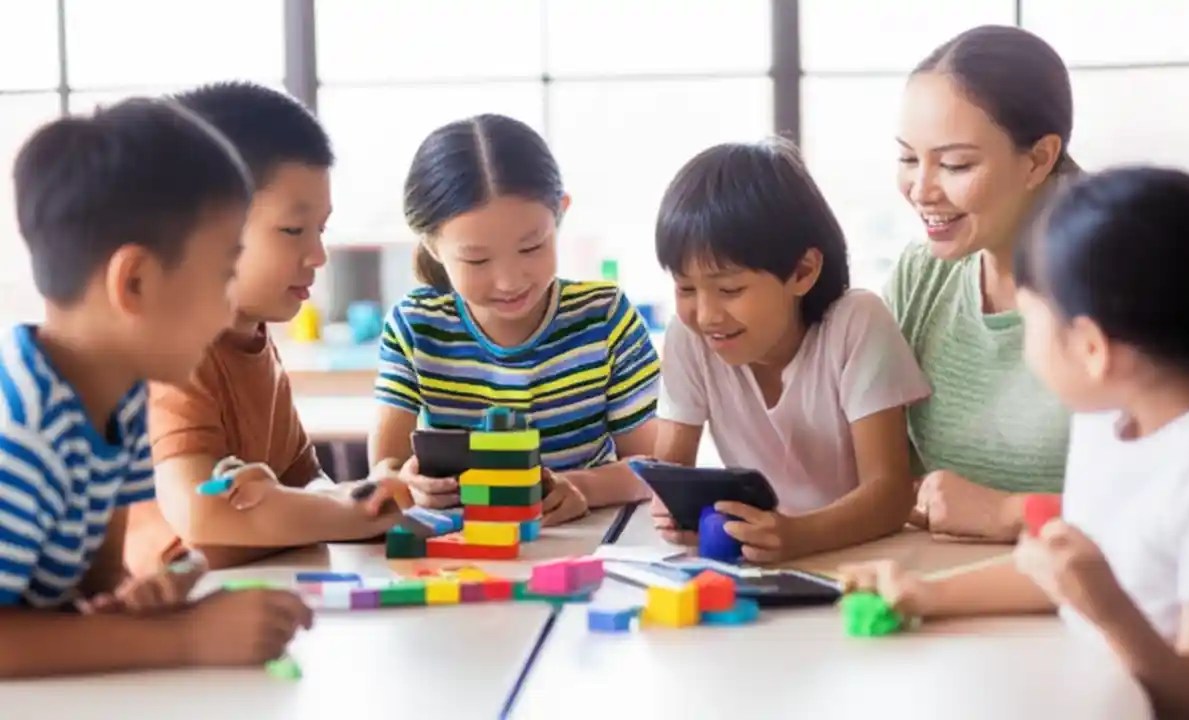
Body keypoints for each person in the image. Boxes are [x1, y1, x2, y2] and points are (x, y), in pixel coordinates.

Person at [842, 167, 1189, 719]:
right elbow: (1061, 572)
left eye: (1030, 321)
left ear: (1092, 348)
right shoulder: (1109, 419)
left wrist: (1106, 607)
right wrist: (927, 593)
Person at [0, 98, 311, 677]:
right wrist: (187, 639)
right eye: (222, 276)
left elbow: (88, 599)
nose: (227, 313)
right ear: (136, 282)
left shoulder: (116, 402)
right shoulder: (22, 426)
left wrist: (154, 594)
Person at [123, 82, 408, 574]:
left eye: (322, 229)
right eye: (293, 231)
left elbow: (305, 481)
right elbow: (202, 516)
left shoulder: (253, 340)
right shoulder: (173, 351)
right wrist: (348, 512)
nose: (318, 256)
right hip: (172, 621)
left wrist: (364, 498)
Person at [369, 114, 660, 526]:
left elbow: (653, 467)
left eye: (532, 247)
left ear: (560, 214)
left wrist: (581, 488)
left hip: (585, 542)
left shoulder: (605, 319)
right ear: (432, 245)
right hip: (462, 550)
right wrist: (408, 483)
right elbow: (384, 470)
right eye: (477, 259)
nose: (509, 281)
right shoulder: (416, 327)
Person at [650, 140, 930, 562]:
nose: (706, 315)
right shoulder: (688, 337)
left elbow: (890, 493)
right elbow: (669, 472)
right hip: (765, 556)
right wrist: (679, 515)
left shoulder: (855, 322)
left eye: (730, 289)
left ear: (802, 272)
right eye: (685, 288)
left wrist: (796, 536)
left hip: (869, 555)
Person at [887, 25, 1080, 541]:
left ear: (1038, 158)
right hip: (938, 583)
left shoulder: (1122, 282)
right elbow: (880, 474)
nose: (921, 190)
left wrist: (1008, 512)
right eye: (908, 158)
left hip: (1091, 598)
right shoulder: (921, 273)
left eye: (955, 164)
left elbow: (1176, 508)